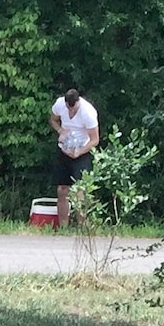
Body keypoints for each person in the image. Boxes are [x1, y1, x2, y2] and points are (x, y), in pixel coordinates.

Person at [49, 88, 100, 228]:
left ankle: (82, 228)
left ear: (78, 102)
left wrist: (79, 152)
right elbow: (53, 120)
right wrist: (60, 131)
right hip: (64, 149)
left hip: (81, 152)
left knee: (80, 191)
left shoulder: (88, 113)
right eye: (68, 108)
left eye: (74, 108)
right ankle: (63, 227)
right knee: (62, 189)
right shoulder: (60, 104)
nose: (71, 112)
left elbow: (95, 140)